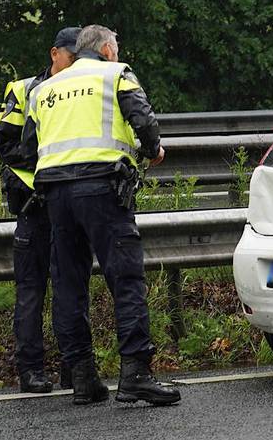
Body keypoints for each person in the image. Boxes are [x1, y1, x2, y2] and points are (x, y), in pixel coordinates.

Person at [18, 24, 180, 407]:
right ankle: (136, 375)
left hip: (55, 194)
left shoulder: (43, 89)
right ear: (107, 49)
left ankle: (83, 379)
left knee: (69, 284)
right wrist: (153, 151)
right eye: (117, 48)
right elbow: (144, 121)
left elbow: (27, 149)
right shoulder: (116, 75)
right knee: (125, 279)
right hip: (104, 189)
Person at [0, 26, 78, 393]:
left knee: (70, 288)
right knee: (31, 290)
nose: (75, 62)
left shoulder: (83, 89)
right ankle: (30, 370)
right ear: (54, 53)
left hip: (70, 204)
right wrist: (44, 154)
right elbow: (4, 145)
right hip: (34, 203)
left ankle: (74, 367)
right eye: (70, 55)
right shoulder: (24, 88)